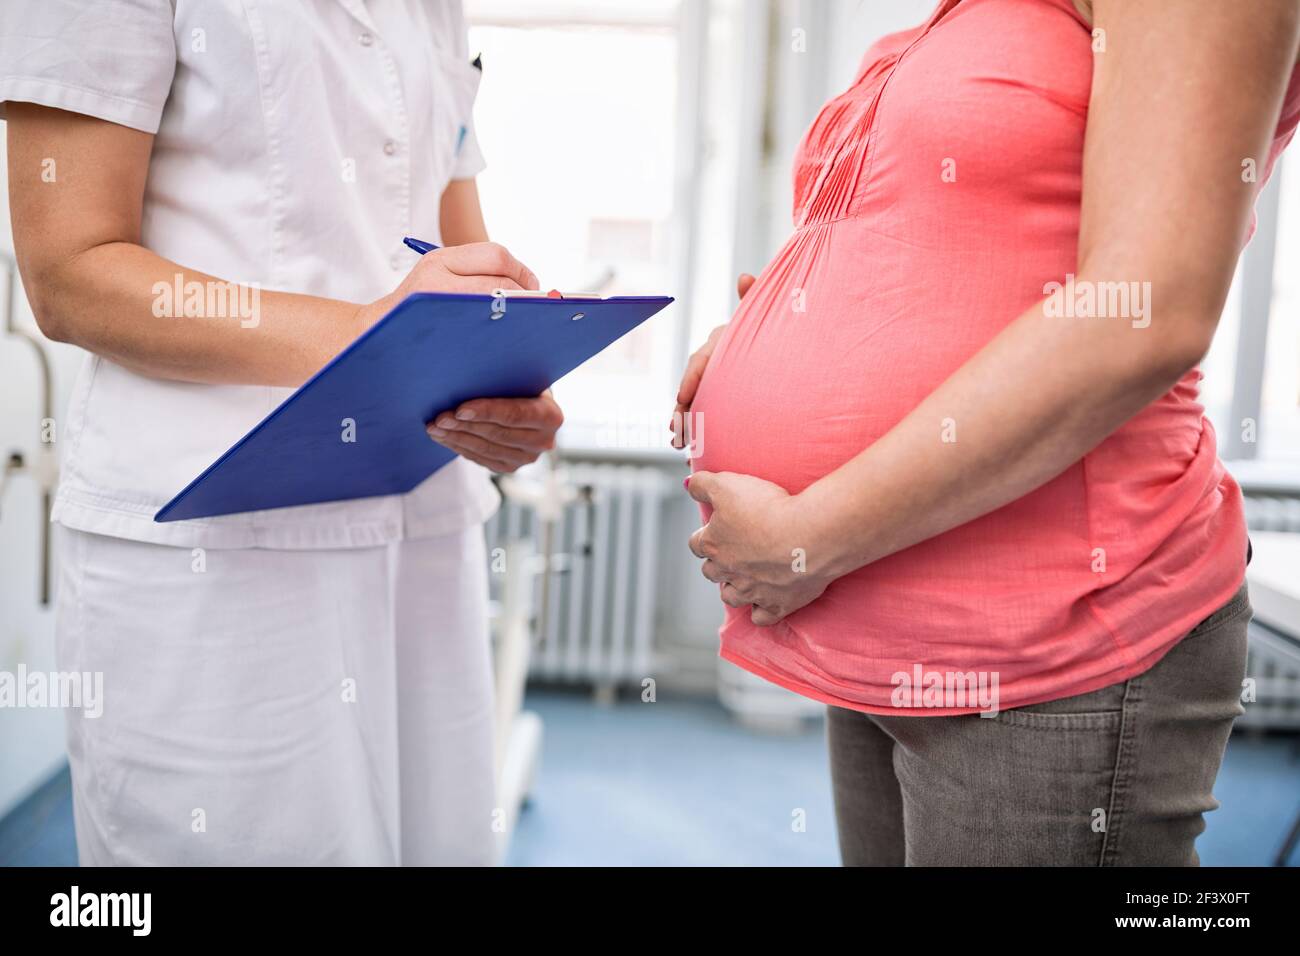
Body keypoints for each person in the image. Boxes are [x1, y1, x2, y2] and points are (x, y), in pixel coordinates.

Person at [673, 0, 1300, 865]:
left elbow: (1144, 311)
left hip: (1053, 636)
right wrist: (774, 323)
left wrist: (808, 540)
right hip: (878, 604)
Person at [1, 0, 559, 865]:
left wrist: (509, 380)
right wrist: (372, 334)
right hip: (210, 550)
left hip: (421, 521)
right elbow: (68, 271)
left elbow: (459, 257)